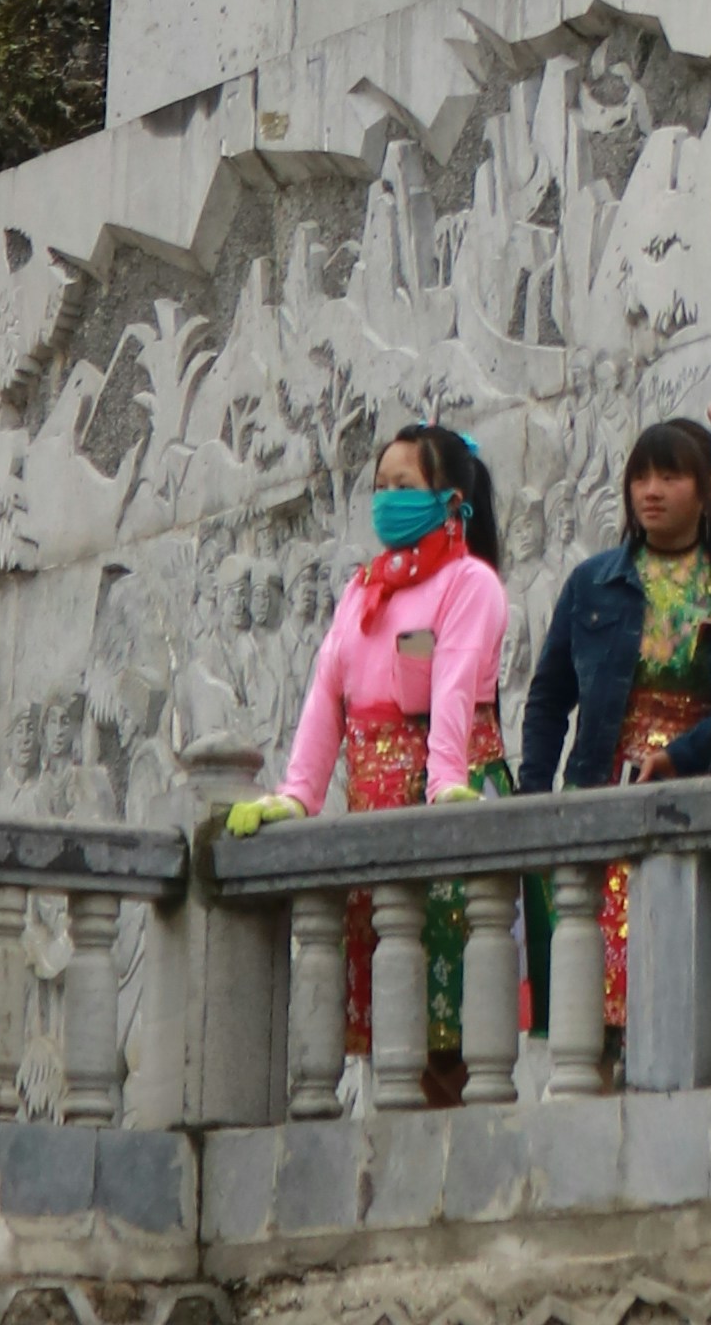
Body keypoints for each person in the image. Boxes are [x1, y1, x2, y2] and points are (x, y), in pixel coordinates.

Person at [518, 414, 711, 1071]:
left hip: (708, 791)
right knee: (602, 993)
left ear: (708, 489)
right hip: (606, 790)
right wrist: (532, 795)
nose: (651, 491)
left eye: (670, 477)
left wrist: (684, 753)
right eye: (640, 476)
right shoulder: (592, 582)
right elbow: (549, 697)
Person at [250, 418, 511, 1081]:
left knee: (453, 1022)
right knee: (392, 1029)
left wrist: (444, 780)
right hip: (375, 807)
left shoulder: (469, 583)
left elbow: (454, 679)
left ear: (451, 500)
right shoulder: (363, 589)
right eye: (381, 486)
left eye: (405, 485)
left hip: (443, 798)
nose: (388, 499)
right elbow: (326, 693)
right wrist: (298, 794)